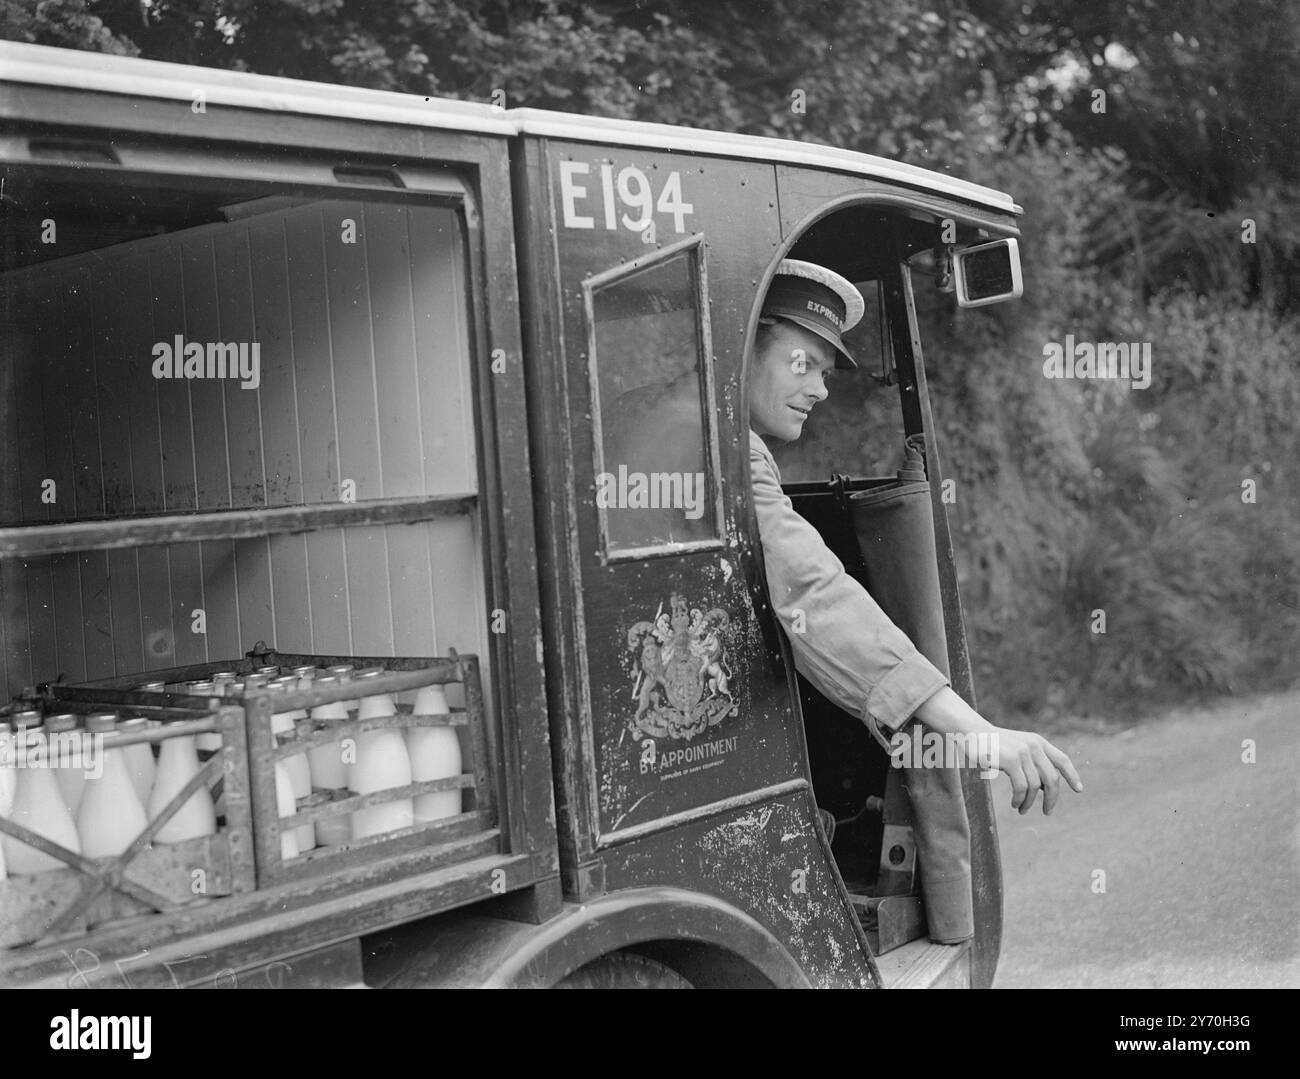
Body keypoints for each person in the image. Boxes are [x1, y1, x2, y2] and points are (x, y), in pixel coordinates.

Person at [749, 259, 1082, 940]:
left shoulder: (698, 434)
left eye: (824, 370)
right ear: (744, 348)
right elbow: (817, 595)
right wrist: (978, 734)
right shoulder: (731, 456)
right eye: (801, 362)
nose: (818, 388)